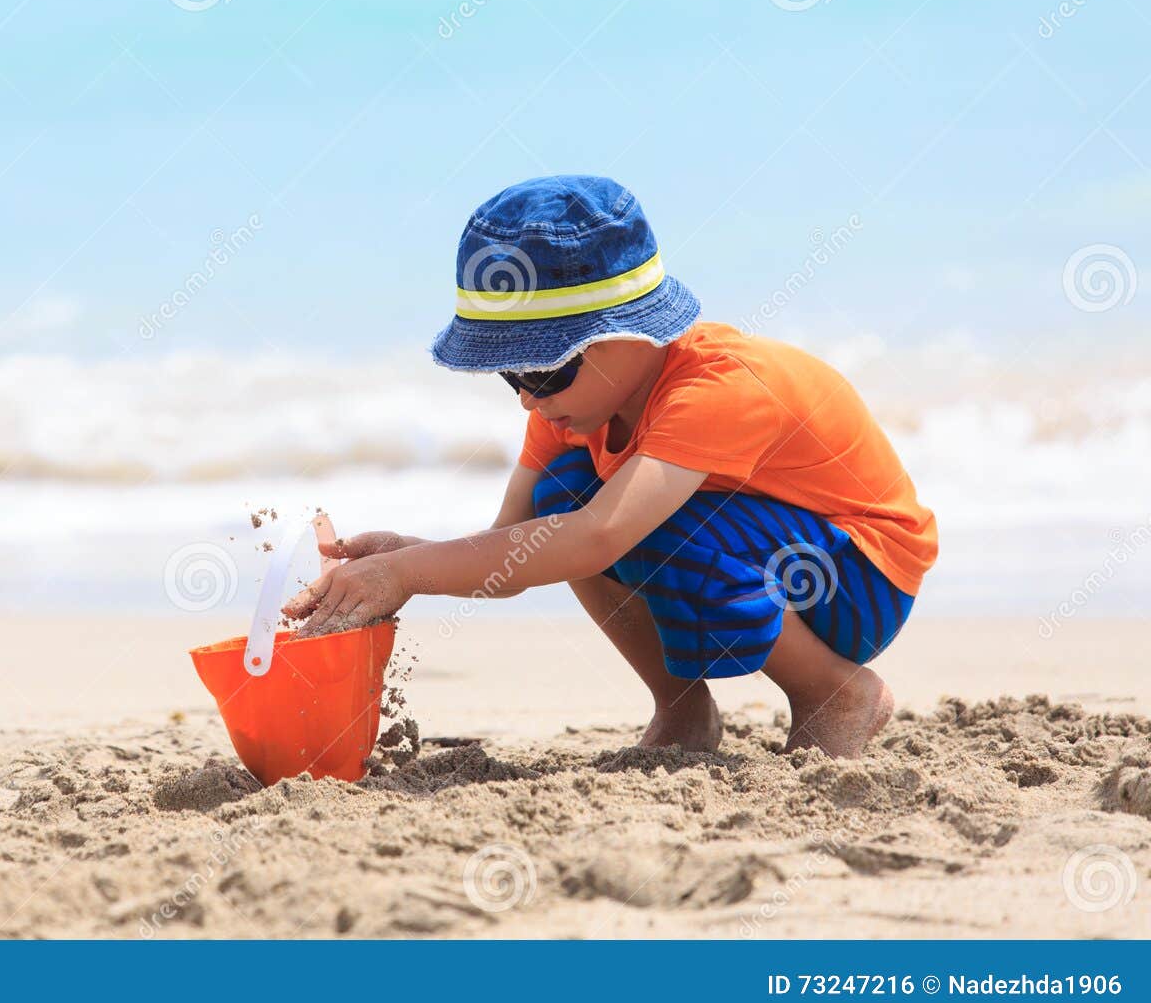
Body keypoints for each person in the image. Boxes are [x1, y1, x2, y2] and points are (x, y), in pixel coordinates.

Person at [283, 176, 936, 757]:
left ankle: (835, 691)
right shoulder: (567, 409)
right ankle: (683, 709)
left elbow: (600, 535)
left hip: (857, 573)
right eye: (511, 374)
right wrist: (399, 555)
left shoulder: (715, 388)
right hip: (766, 543)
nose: (530, 397)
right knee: (558, 497)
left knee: (622, 522)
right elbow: (515, 550)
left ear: (629, 331)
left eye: (546, 367)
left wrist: (406, 573)